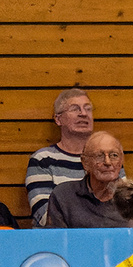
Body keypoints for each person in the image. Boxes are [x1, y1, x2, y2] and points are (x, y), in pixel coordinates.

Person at [25, 88, 96, 225]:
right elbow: (46, 216)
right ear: (58, 119)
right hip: (55, 241)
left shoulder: (108, 158)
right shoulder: (43, 160)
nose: (83, 114)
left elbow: (122, 210)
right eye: (75, 109)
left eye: (88, 109)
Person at [45, 131, 132, 229]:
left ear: (121, 161)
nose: (107, 162)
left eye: (114, 155)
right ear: (85, 162)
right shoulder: (63, 196)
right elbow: (56, 241)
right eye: (99, 156)